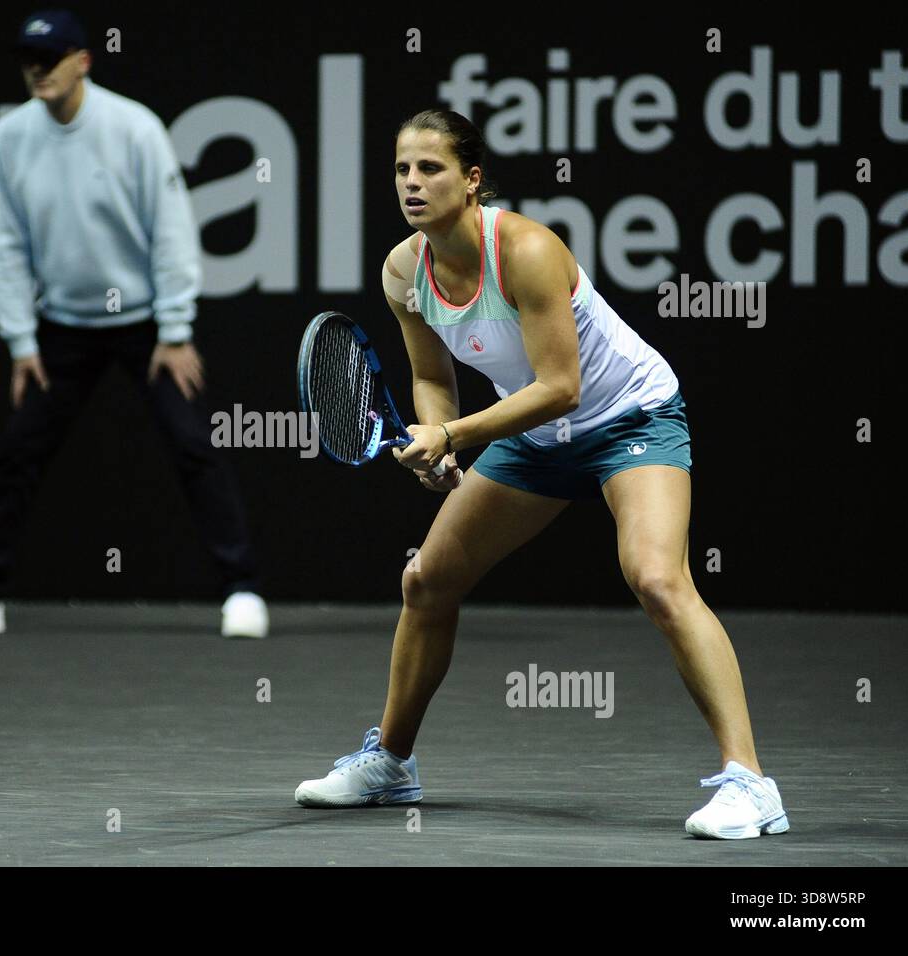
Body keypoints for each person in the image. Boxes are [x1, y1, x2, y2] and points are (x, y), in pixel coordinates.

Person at [293, 109, 789, 839]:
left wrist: (453, 434)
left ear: (471, 180)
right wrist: (440, 443)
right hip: (534, 435)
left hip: (629, 417)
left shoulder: (525, 250)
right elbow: (431, 378)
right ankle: (391, 763)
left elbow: (562, 387)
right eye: (401, 169)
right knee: (426, 580)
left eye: (430, 168)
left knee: (656, 577)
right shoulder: (404, 272)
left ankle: (751, 784)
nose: (411, 183)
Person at [0, 10, 267, 639]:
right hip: (62, 326)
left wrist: (175, 329)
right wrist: (21, 341)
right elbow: (6, 241)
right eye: (28, 60)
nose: (37, 70)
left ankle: (241, 592)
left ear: (83, 61)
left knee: (192, 445)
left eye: (49, 58)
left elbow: (171, 230)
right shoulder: (10, 137)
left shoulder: (134, 128)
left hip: (146, 326)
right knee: (18, 451)